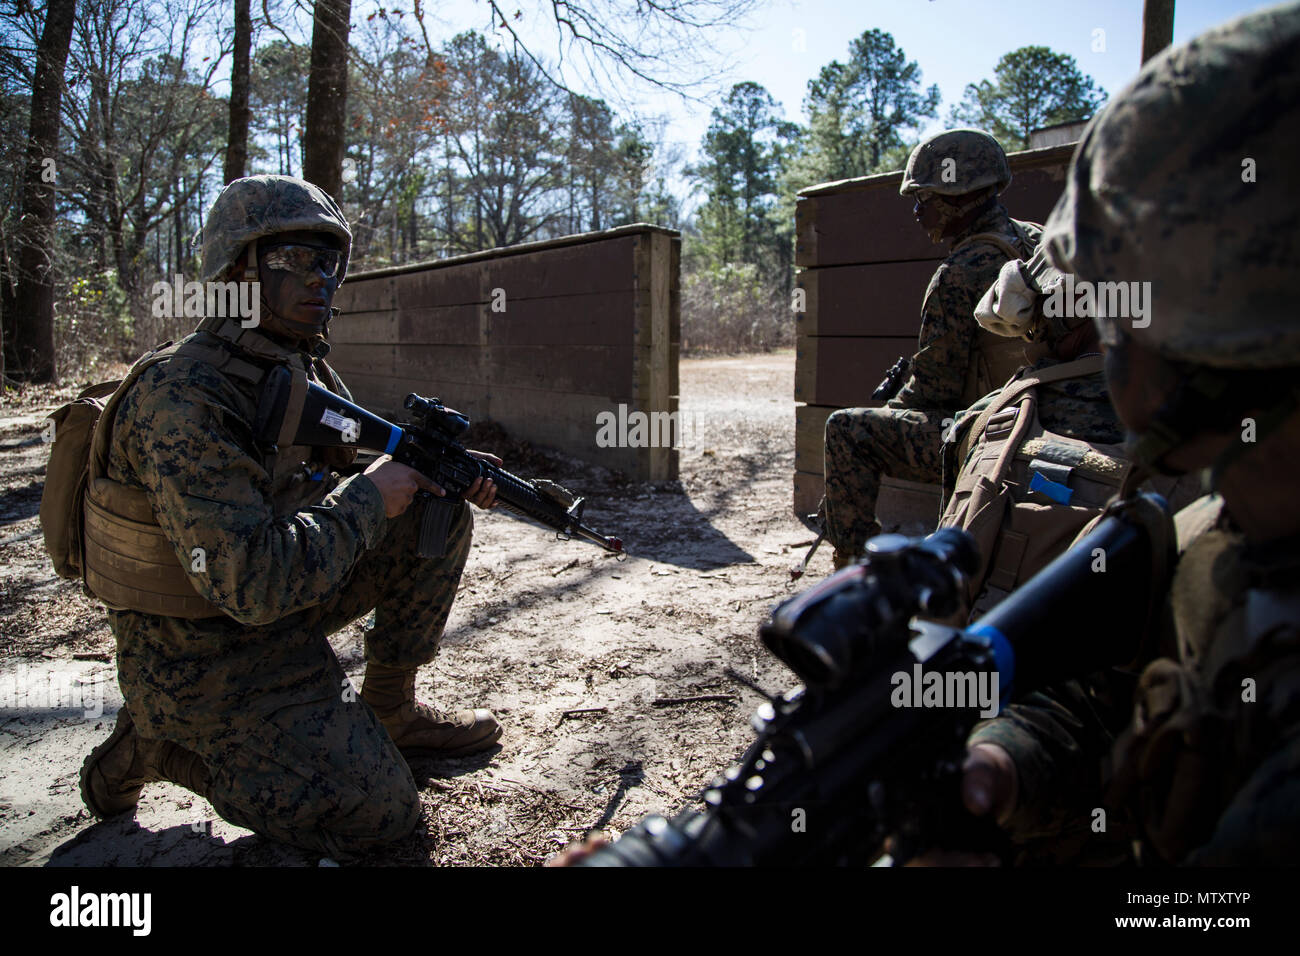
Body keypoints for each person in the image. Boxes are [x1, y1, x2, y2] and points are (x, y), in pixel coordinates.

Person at [940, 0, 1300, 866]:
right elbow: (1132, 700)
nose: (1113, 363)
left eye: (1132, 318)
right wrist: (1001, 763)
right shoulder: (1225, 540)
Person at [78, 175, 504, 859]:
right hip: (197, 652)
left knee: (436, 510)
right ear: (237, 271)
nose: (321, 281)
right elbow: (252, 583)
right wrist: (372, 495)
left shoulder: (297, 371)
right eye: (295, 260)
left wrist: (428, 475)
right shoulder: (184, 394)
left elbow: (327, 494)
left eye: (329, 264)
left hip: (272, 614)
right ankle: (159, 746)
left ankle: (391, 707)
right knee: (382, 814)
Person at [818, 128, 1044, 568]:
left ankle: (854, 571)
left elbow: (935, 390)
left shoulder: (959, 272)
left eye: (925, 199)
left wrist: (896, 405)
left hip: (985, 430)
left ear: (960, 199)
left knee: (846, 430)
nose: (918, 213)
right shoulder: (1034, 240)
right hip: (1039, 415)